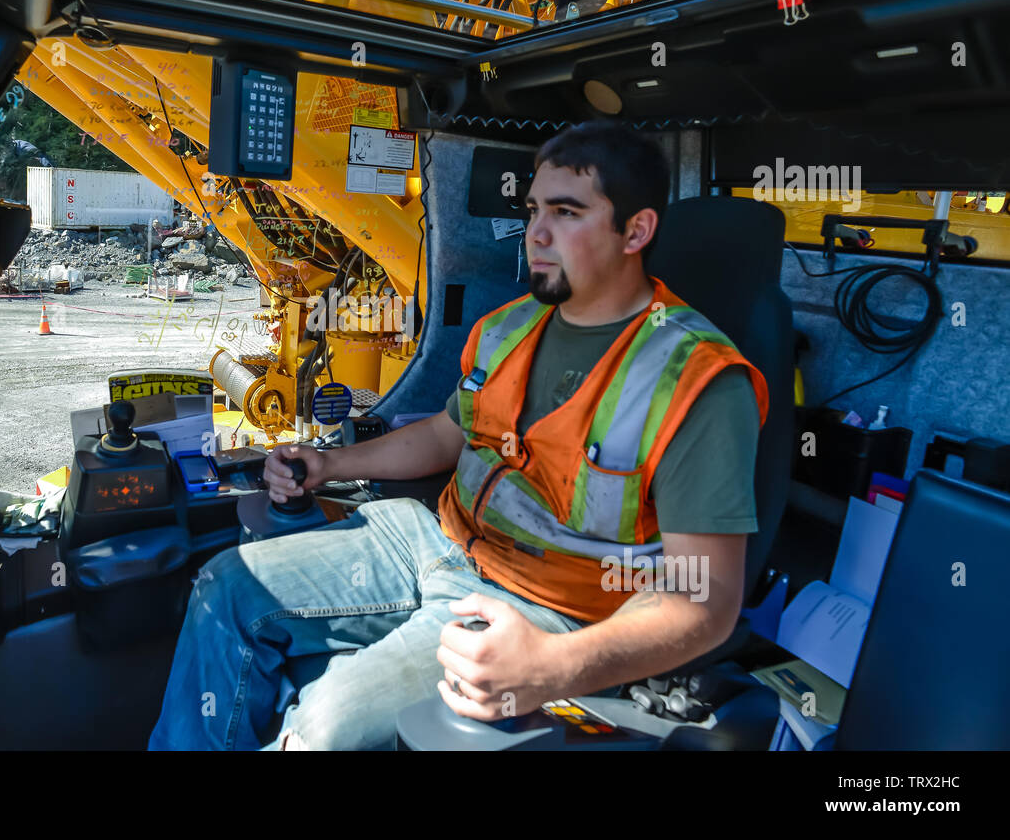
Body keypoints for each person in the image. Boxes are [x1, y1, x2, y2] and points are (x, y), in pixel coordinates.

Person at [148, 122, 768, 750]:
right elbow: (448, 434)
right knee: (224, 587)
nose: (537, 233)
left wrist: (551, 667)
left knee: (323, 727)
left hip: (544, 608)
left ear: (635, 231)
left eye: (566, 212)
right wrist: (329, 464)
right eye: (532, 210)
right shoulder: (506, 328)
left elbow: (706, 601)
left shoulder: (698, 383)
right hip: (431, 539)